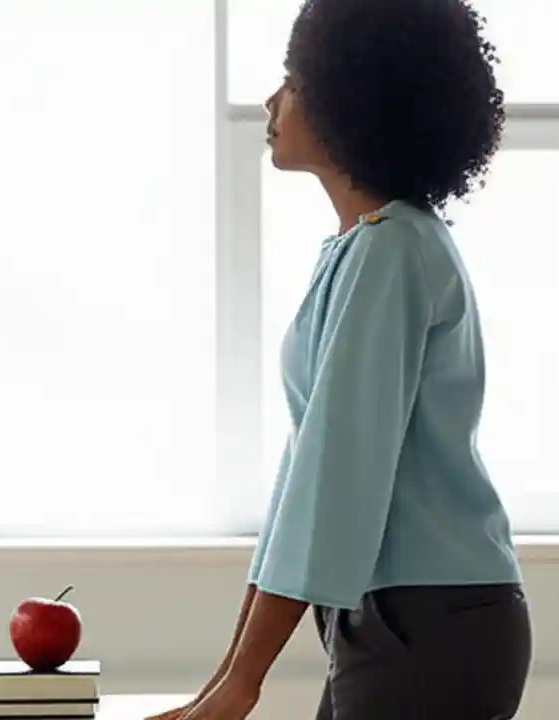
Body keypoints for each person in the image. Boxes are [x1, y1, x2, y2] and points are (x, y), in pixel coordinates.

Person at [148, 0, 529, 717]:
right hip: (400, 620)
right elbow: (302, 479)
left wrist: (244, 682)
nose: (272, 100)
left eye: (292, 79)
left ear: (353, 93)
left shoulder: (391, 250)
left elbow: (334, 477)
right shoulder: (364, 247)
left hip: (429, 625)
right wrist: (224, 678)